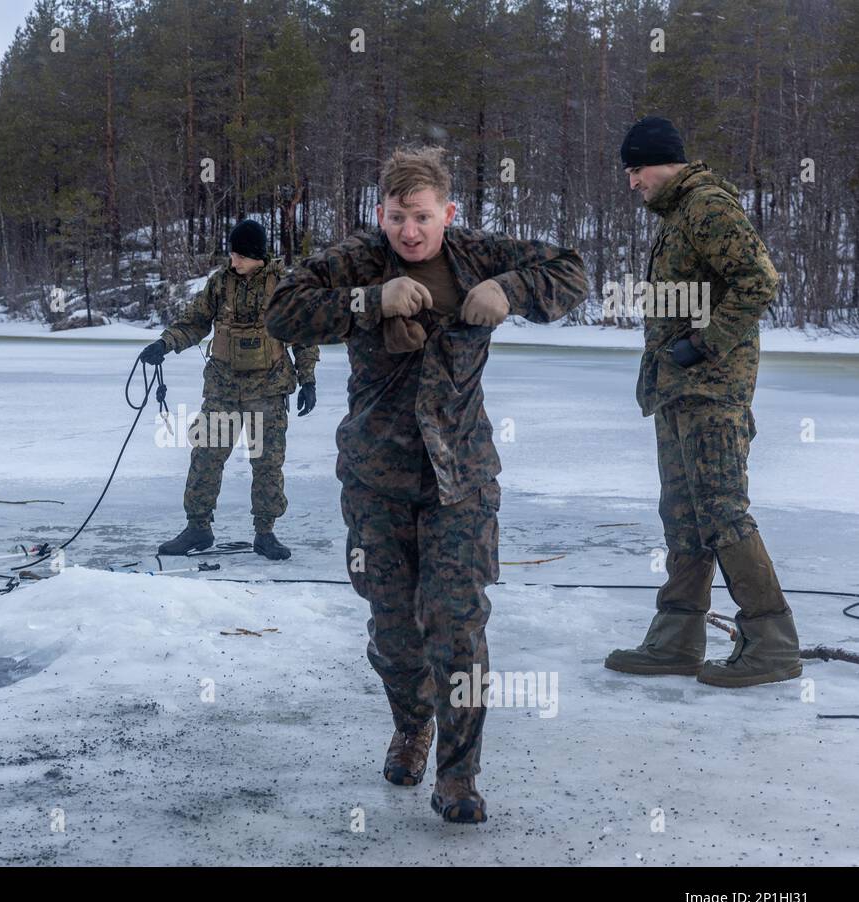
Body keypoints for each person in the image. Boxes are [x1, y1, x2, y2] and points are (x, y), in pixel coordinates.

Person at [265, 146, 587, 822]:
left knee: (457, 627)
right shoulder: (358, 259)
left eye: (421, 216)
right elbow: (282, 310)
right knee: (392, 627)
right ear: (379, 213)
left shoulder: (476, 254)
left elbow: (570, 270)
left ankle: (459, 776)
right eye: (396, 216)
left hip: (460, 480)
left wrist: (511, 290)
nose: (409, 231)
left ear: (448, 212)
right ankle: (412, 726)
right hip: (376, 482)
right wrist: (369, 300)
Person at [605, 116, 801, 687]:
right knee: (684, 514)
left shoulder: (707, 206)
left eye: (635, 170)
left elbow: (759, 280)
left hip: (712, 391)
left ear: (660, 162)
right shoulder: (676, 216)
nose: (632, 183)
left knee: (721, 511)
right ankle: (677, 637)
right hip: (677, 392)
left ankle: (770, 641)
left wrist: (705, 343)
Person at [138, 220, 319, 561]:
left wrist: (308, 380)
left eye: (239, 256)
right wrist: (165, 344)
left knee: (266, 464)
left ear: (257, 256)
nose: (233, 261)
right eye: (232, 254)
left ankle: (265, 533)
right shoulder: (220, 283)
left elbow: (303, 334)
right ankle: (198, 527)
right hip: (222, 387)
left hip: (268, 388)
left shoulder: (283, 285)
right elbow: (194, 322)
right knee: (205, 457)